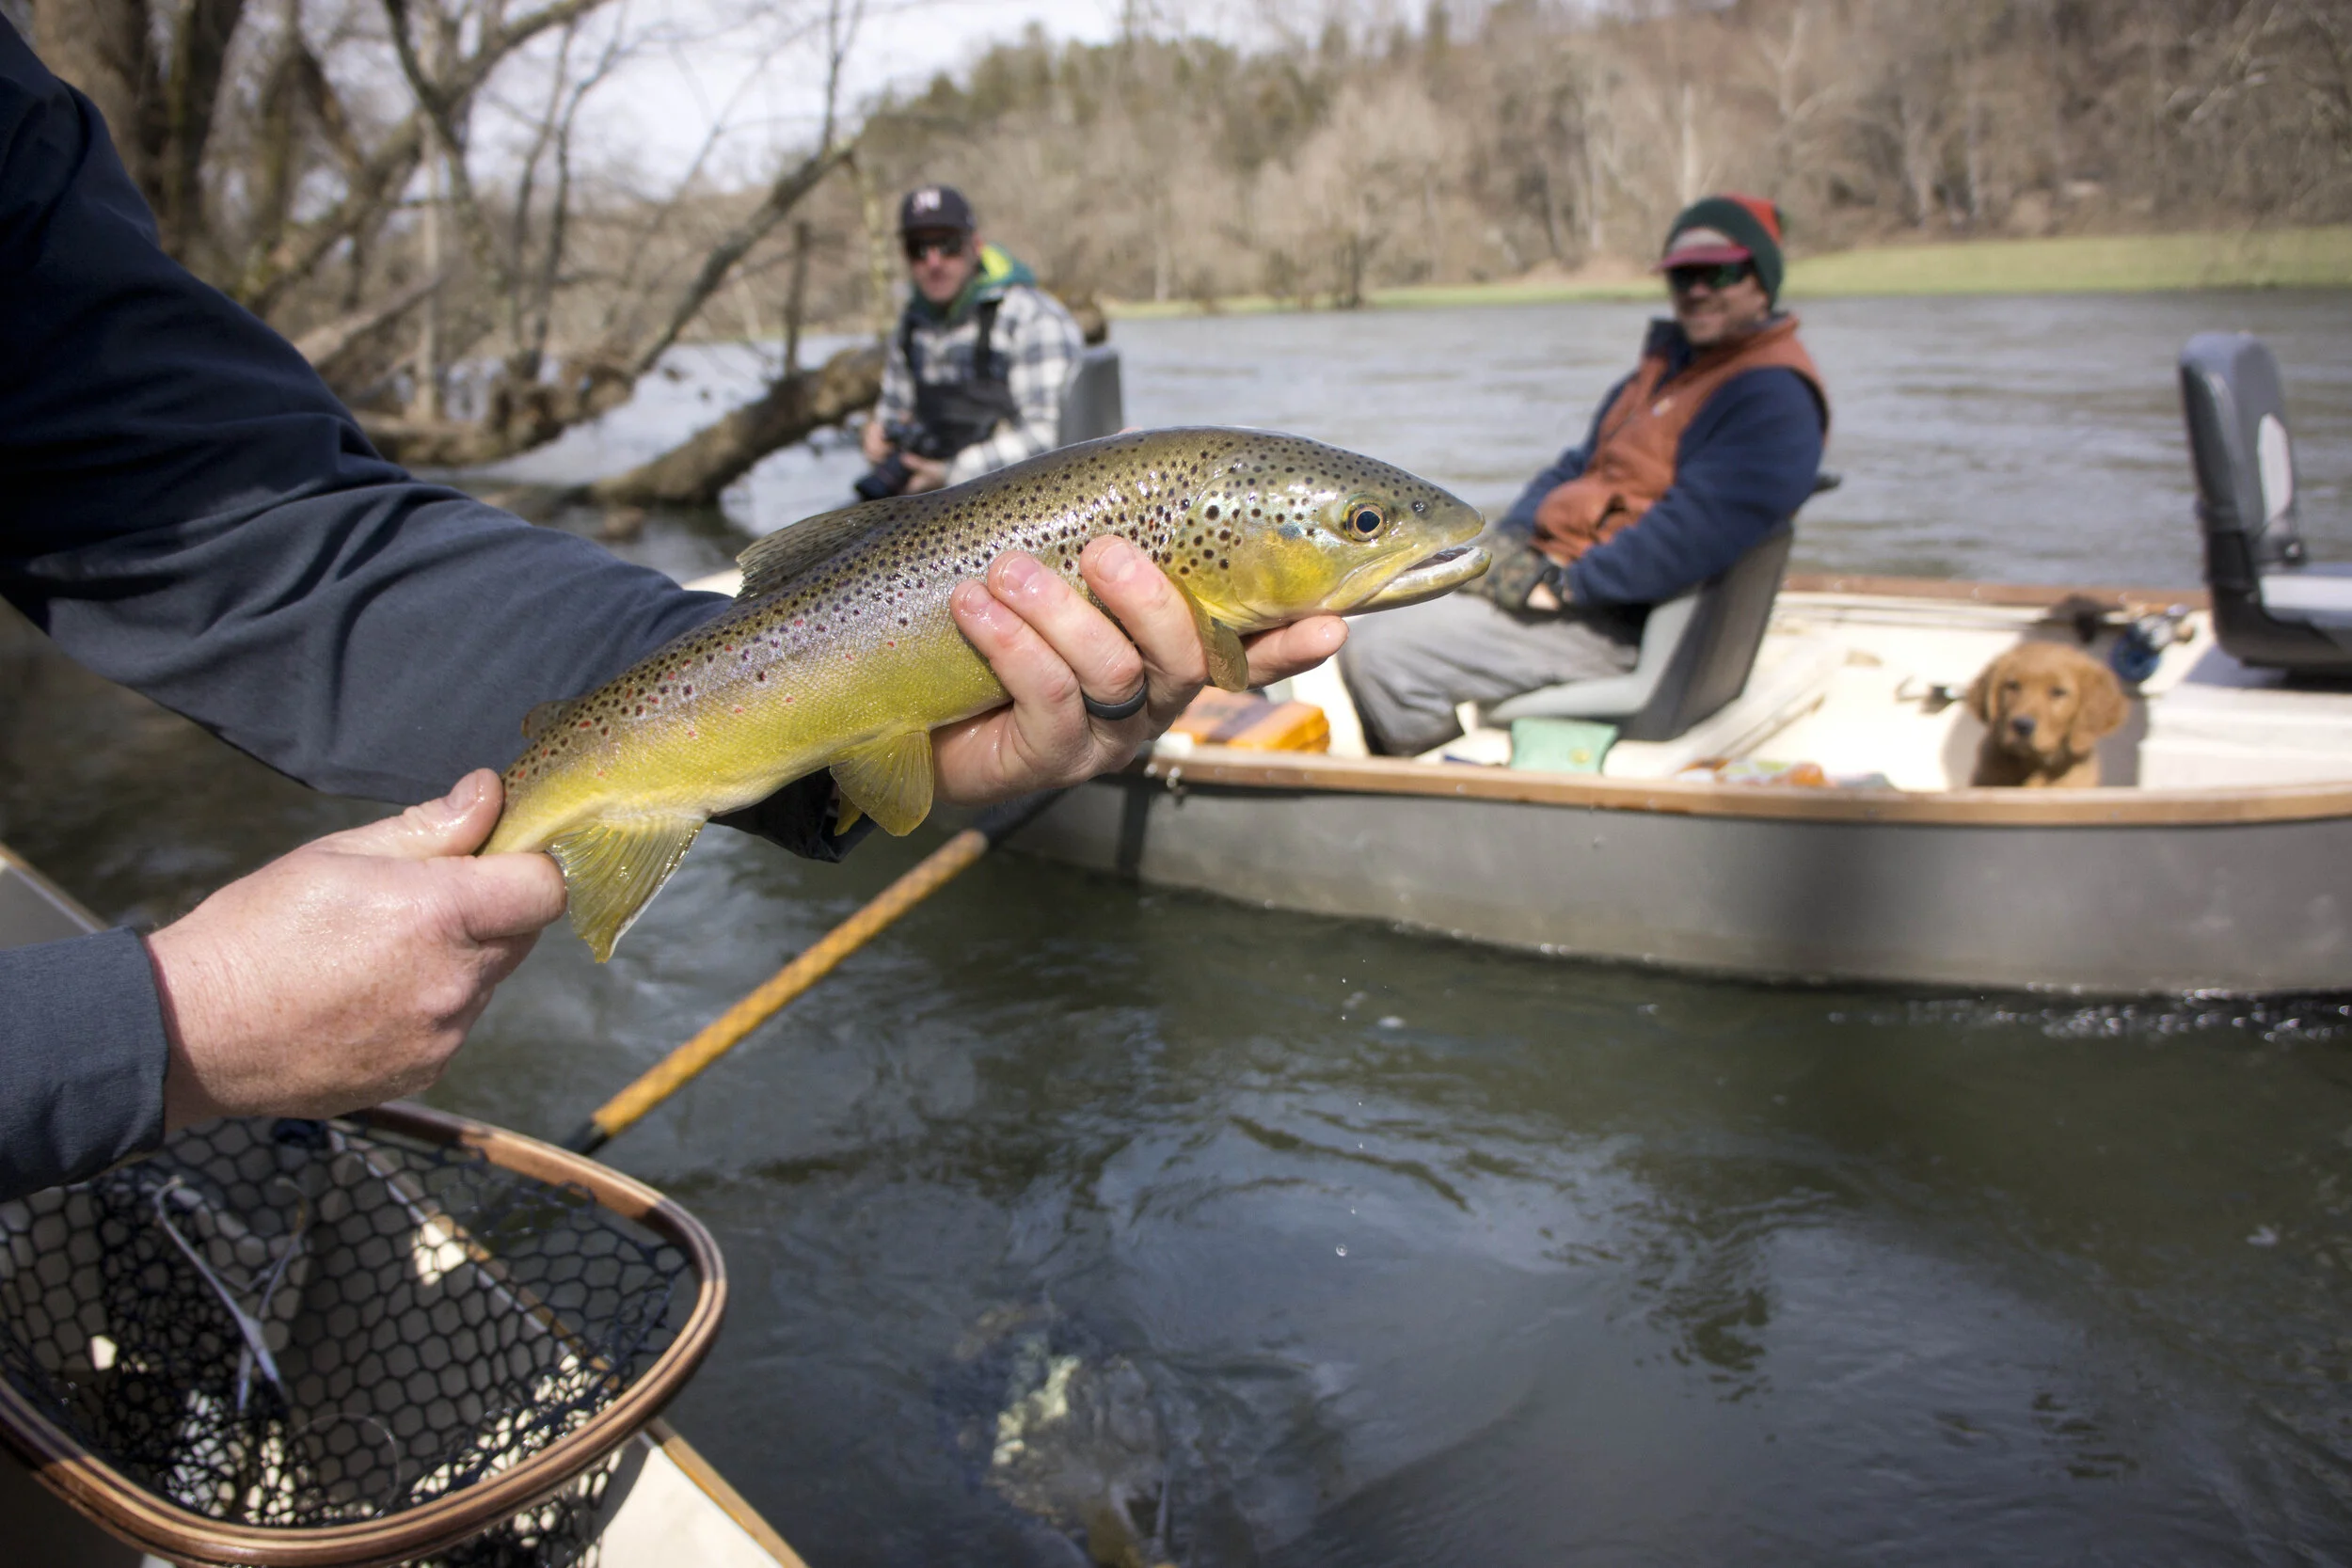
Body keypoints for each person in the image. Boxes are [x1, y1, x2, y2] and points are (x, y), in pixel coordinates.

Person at [0, 24, 1343, 1202]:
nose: (930, 259)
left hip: (911, 599)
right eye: (915, 243)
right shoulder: (918, 325)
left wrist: (761, 710)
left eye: (943, 242)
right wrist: (146, 1029)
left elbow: (259, 530)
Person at [1341, 194, 1829, 755]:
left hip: (1615, 622)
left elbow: (1695, 531)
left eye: (1717, 273)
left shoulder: (1772, 396)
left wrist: (1564, 587)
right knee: (1369, 621)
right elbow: (1579, 466)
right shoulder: (1668, 372)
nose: (1695, 290)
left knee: (1381, 658)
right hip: (1567, 585)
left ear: (1761, 282)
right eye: (1681, 275)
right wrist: (1512, 542)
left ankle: (1435, 786)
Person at [856, 184, 1085, 499]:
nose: (934, 262)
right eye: (918, 249)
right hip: (928, 501)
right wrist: (877, 440)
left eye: (948, 245)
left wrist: (952, 474)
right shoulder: (909, 327)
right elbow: (893, 415)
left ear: (975, 246)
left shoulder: (1034, 318)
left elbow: (1051, 439)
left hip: (1026, 500)